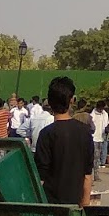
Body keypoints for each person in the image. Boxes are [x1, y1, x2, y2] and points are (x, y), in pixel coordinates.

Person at [33, 76, 94, 206]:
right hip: (75, 204)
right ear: (72, 100)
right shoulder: (85, 132)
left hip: (50, 205)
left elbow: (41, 176)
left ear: (49, 102)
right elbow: (87, 174)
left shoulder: (46, 134)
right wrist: (85, 204)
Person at [90, 100, 109, 181]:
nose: (101, 110)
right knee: (94, 157)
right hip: (93, 138)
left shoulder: (105, 114)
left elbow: (106, 124)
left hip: (101, 138)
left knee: (97, 158)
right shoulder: (92, 115)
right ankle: (91, 175)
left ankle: (96, 175)